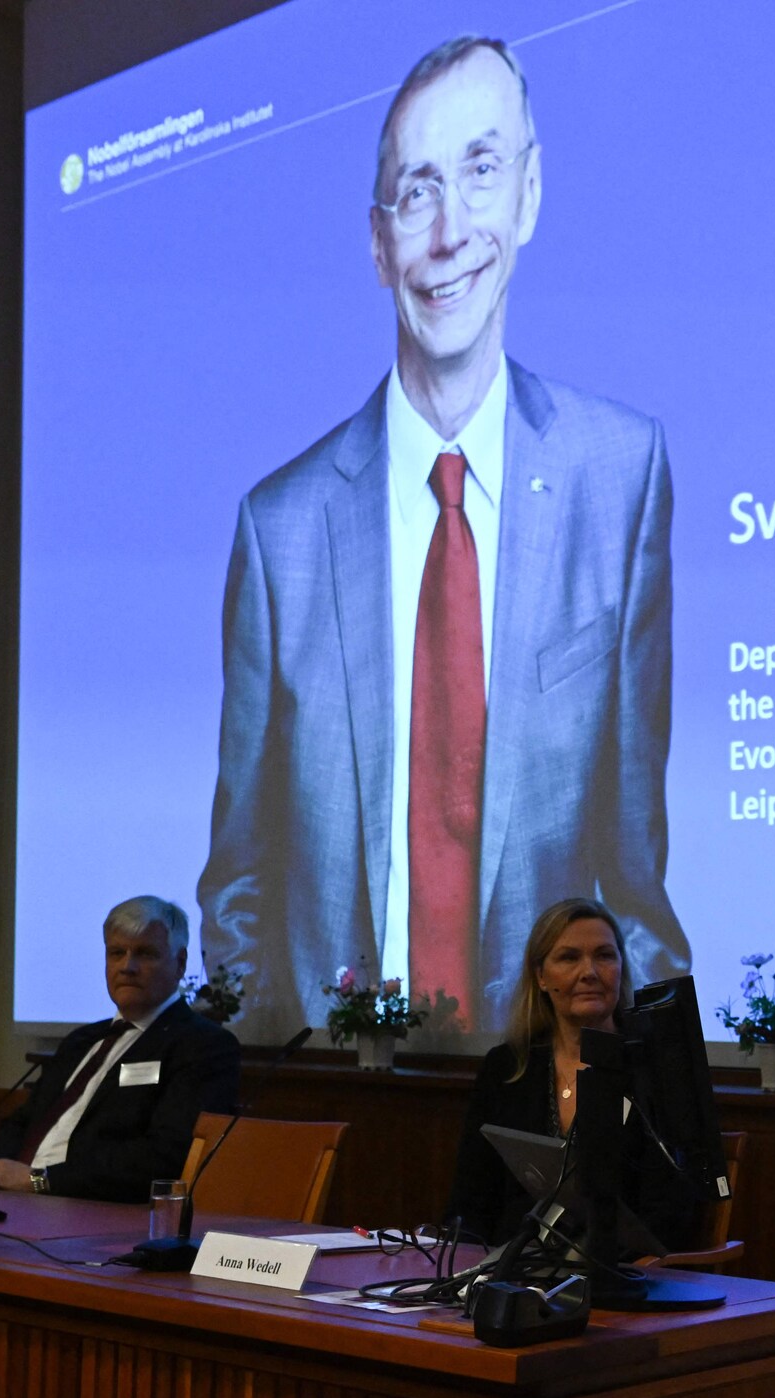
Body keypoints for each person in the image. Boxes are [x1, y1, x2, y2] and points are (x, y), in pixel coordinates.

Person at [197, 34, 687, 1044]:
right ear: (378, 243)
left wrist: (643, 1076)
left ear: (529, 194)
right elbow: (239, 873)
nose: (450, 230)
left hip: (547, 1079)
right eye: (417, 192)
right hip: (343, 1080)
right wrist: (276, 1062)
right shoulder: (280, 526)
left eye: (480, 170)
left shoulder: (619, 475)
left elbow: (636, 873)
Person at [444, 898, 699, 1251]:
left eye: (604, 956)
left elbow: (672, 1212)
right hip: (514, 1267)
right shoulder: (506, 1066)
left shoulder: (656, 1067)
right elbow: (471, 1198)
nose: (589, 972)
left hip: (625, 1270)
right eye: (569, 958)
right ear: (541, 976)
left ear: (621, 967)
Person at [0, 897, 240, 1203]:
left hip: (93, 1206)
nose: (127, 967)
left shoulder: (202, 1045)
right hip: (16, 1198)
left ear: (181, 963)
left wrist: (40, 1181)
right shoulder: (82, 1041)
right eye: (116, 953)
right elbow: (23, 1123)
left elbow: (166, 1156)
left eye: (145, 954)